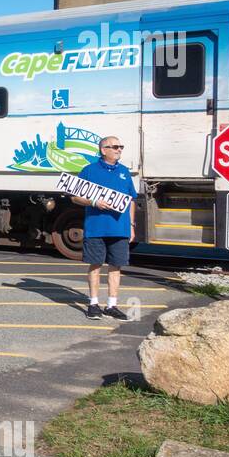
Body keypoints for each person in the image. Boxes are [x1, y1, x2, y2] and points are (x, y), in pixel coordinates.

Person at [73, 135, 139, 321]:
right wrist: (93, 202)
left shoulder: (124, 172)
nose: (119, 149)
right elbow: (74, 197)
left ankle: (111, 306)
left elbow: (131, 200)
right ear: (104, 150)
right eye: (115, 146)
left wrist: (132, 225)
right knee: (95, 265)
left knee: (116, 267)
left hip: (120, 228)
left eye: (121, 146)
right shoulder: (89, 170)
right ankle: (93, 304)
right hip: (96, 228)